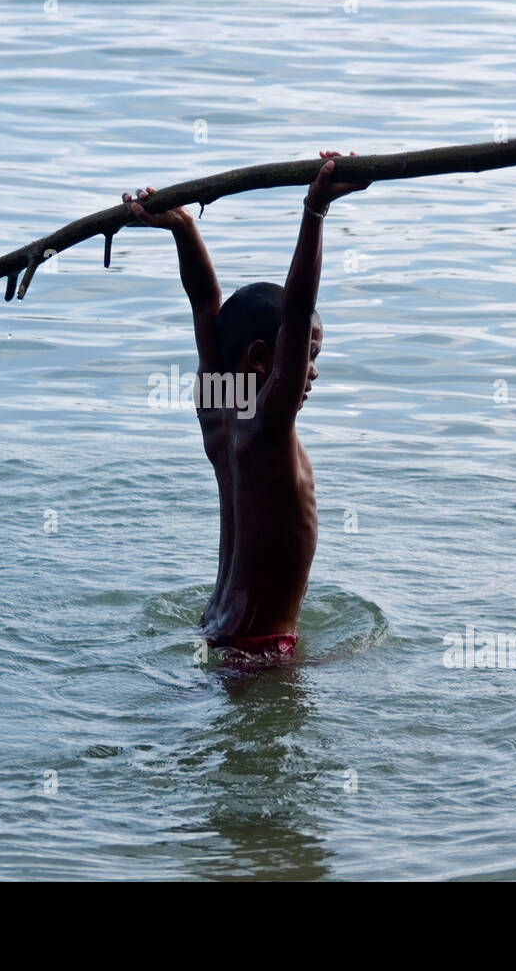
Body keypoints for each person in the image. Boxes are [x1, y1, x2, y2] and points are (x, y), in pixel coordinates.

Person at [123, 152, 371, 658]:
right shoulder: (267, 428)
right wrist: (315, 210)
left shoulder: (220, 411)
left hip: (211, 630)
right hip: (260, 651)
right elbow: (297, 309)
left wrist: (183, 228)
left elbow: (203, 304)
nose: (313, 371)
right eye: (308, 356)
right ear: (264, 361)